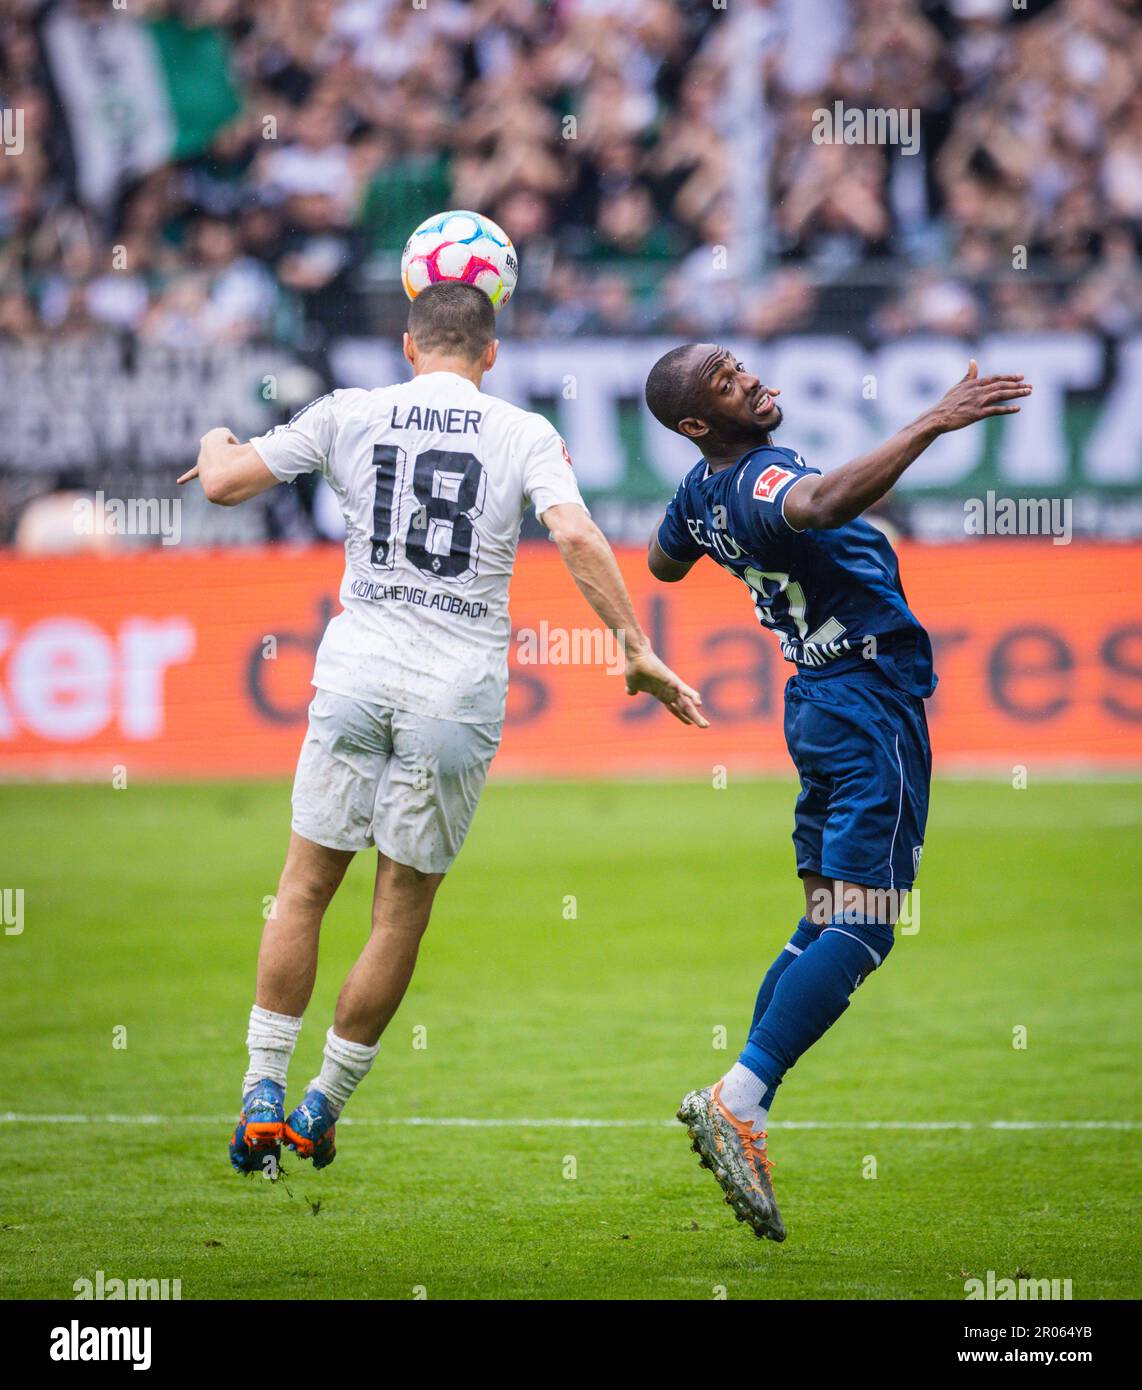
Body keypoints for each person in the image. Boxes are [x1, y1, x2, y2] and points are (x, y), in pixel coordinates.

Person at [179, 282, 707, 1176]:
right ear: (491, 353)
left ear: (408, 345)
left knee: (304, 889)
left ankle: (261, 1092)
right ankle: (322, 1106)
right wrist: (634, 646)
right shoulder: (523, 433)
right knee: (400, 913)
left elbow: (226, 483)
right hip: (454, 691)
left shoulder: (352, 410)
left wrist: (216, 441)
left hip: (356, 670)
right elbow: (576, 535)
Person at [645, 344, 1031, 1240]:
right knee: (864, 925)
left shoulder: (703, 493)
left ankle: (743, 1099)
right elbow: (816, 504)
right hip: (866, 709)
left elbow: (665, 566)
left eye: (738, 365)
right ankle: (741, 1099)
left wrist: (719, 531)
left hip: (816, 705)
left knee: (826, 916)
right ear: (699, 423)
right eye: (725, 383)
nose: (750, 379)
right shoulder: (767, 477)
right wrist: (932, 420)